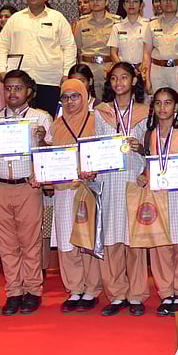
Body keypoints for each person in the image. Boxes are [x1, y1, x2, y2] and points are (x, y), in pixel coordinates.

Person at [0, 69, 51, 316]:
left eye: (18, 88)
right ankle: (13, 291)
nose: (12, 93)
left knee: (30, 242)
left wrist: (43, 140)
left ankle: (33, 290)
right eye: (8, 88)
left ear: (29, 92)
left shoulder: (41, 118)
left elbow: (51, 155)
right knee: (6, 244)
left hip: (27, 186)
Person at [135, 87, 178, 316]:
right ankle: (166, 294)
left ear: (176, 106)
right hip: (157, 197)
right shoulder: (146, 131)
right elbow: (146, 163)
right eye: (158, 103)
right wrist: (143, 177)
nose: (163, 108)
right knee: (160, 247)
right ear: (152, 106)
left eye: (168, 103)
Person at [92, 62, 150, 316]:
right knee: (112, 238)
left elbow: (155, 147)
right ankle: (116, 294)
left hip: (134, 178)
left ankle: (137, 295)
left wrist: (141, 149)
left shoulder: (146, 112)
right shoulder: (101, 111)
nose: (118, 83)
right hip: (109, 180)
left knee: (134, 239)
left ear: (133, 81)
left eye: (124, 78)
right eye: (114, 78)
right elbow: (94, 146)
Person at [51, 78, 105, 313]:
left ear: (85, 96)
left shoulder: (97, 121)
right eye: (65, 97)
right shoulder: (57, 124)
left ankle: (92, 289)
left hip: (89, 189)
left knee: (88, 239)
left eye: (75, 96)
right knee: (67, 239)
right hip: (64, 191)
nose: (70, 101)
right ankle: (74, 289)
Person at [0, 0, 76, 114]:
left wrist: (67, 73)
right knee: (20, 121)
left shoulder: (57, 18)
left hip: (50, 80)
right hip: (20, 83)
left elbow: (69, 47)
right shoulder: (15, 19)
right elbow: (2, 46)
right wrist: (2, 70)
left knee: (48, 120)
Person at [71, 0, 119, 99]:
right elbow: (77, 50)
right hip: (88, 69)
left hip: (108, 68)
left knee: (109, 103)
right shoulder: (81, 23)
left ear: (106, 1)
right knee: (89, 103)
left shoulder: (116, 22)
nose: (95, 2)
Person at [108, 0, 152, 83]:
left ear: (141, 5)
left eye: (135, 1)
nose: (131, 4)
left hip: (143, 72)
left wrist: (141, 69)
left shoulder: (149, 25)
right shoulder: (117, 27)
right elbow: (113, 53)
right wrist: (125, 70)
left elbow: (149, 52)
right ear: (123, 5)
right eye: (127, 1)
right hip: (123, 74)